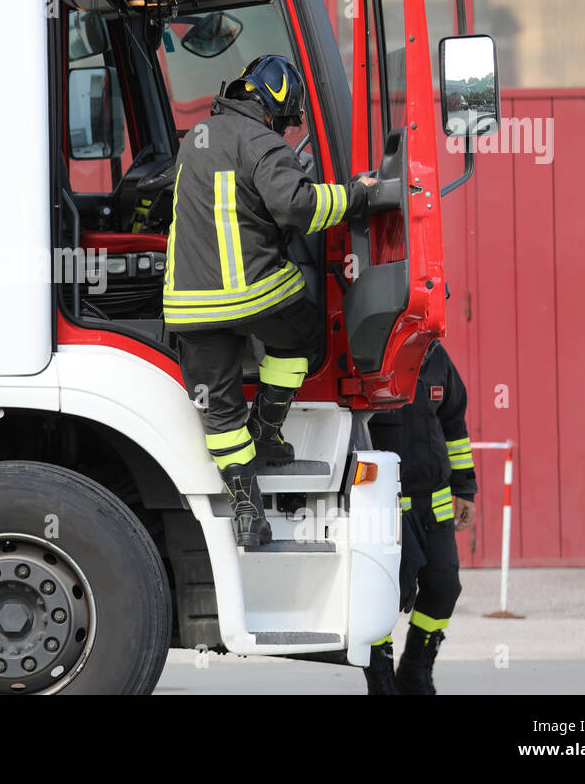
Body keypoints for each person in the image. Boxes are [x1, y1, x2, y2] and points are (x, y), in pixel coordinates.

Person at [163, 54, 376, 547]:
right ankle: (268, 430)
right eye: (286, 118)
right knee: (302, 334)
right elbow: (298, 207)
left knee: (219, 410)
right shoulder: (262, 142)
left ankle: (246, 506)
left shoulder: (196, 139)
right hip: (254, 296)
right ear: (274, 105)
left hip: (188, 308)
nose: (284, 128)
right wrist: (355, 196)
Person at [362, 340, 477, 694]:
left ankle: (415, 669)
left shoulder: (436, 357)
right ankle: (381, 683)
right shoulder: (367, 355)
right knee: (384, 599)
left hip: (437, 505)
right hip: (386, 506)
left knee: (444, 588)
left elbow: (454, 427)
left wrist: (465, 488)